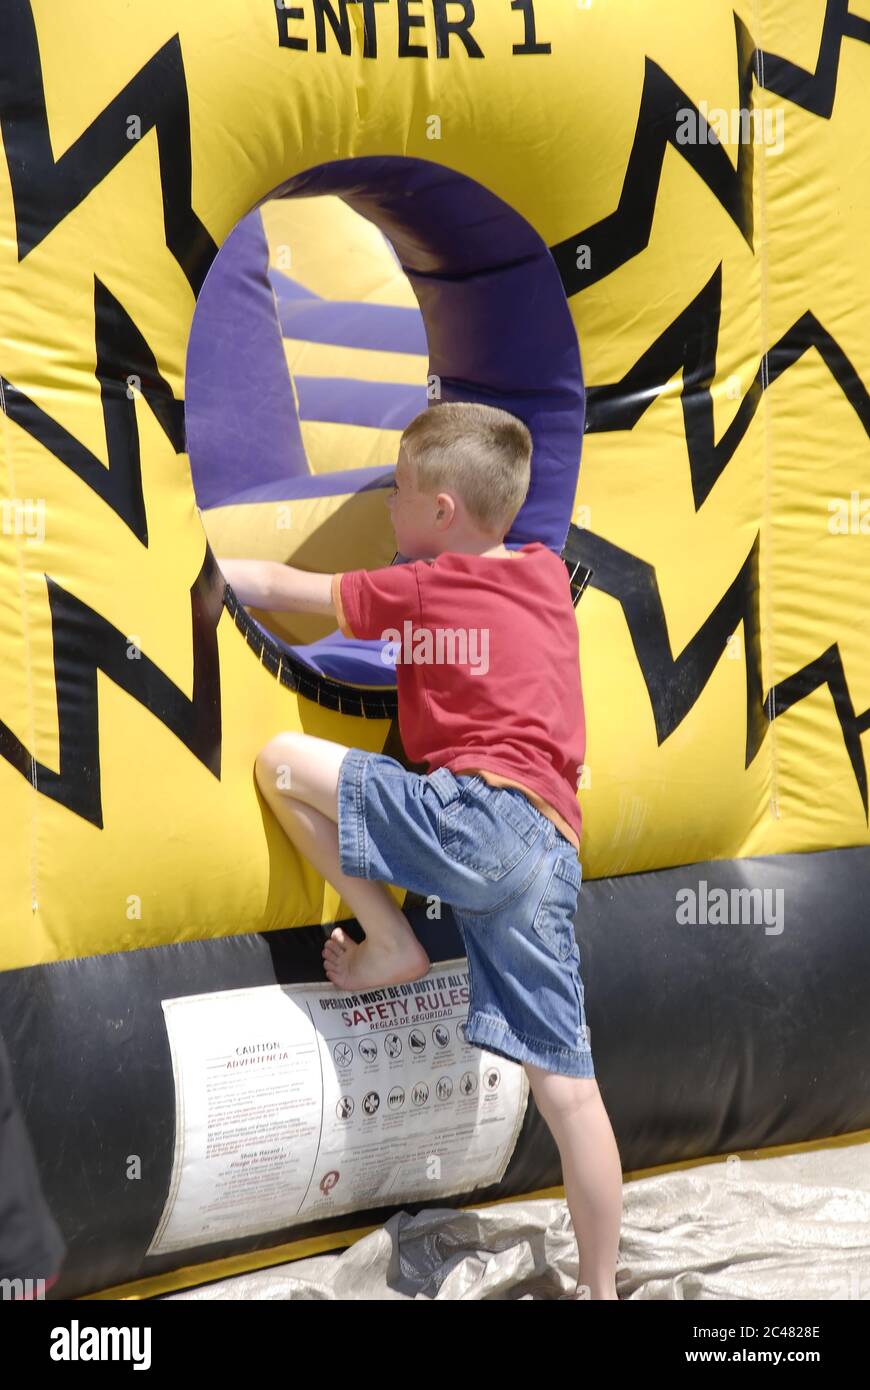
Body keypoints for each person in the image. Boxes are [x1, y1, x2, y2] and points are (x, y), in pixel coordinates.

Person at [219, 401, 623, 1300]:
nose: (387, 505)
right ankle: (602, 1290)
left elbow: (291, 589)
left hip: (474, 819)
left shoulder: (424, 585)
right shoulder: (547, 574)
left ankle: (388, 937)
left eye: (397, 490)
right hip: (552, 849)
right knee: (570, 1095)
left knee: (281, 764)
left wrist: (206, 572)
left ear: (441, 512)